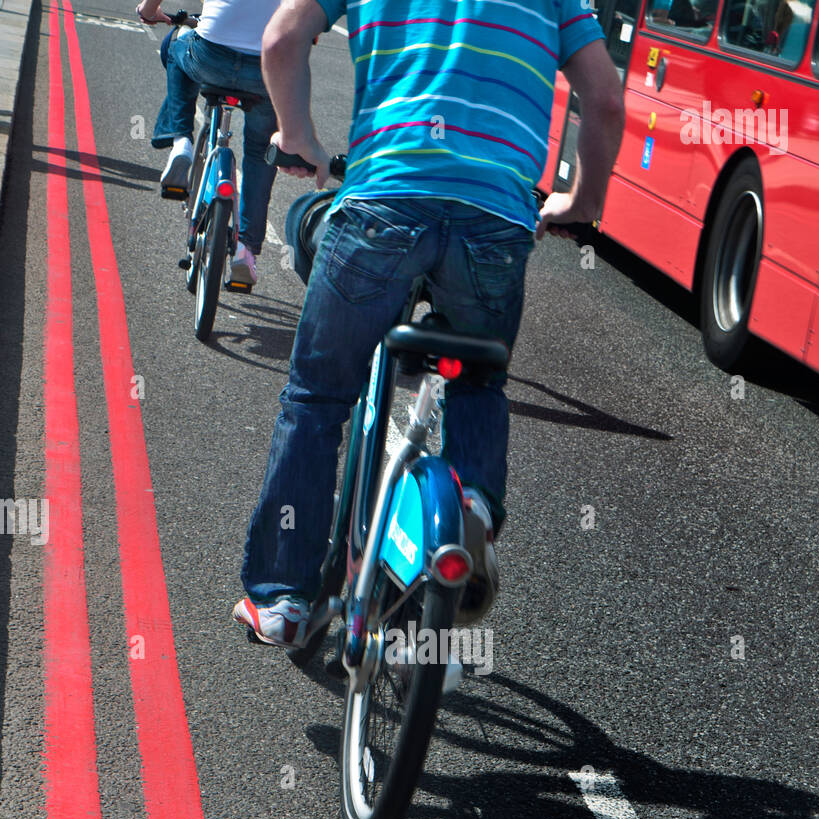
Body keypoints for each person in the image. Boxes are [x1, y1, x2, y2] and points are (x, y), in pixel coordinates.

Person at [234, 0, 625, 648]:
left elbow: (281, 40)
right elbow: (605, 101)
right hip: (494, 225)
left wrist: (298, 136)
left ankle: (280, 597)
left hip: (384, 203)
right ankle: (469, 509)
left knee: (318, 396)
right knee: (475, 382)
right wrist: (582, 202)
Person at [137, 0, 281, 287]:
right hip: (266, 69)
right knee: (260, 152)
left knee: (176, 43)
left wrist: (148, 10)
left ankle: (181, 143)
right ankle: (246, 249)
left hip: (210, 56)